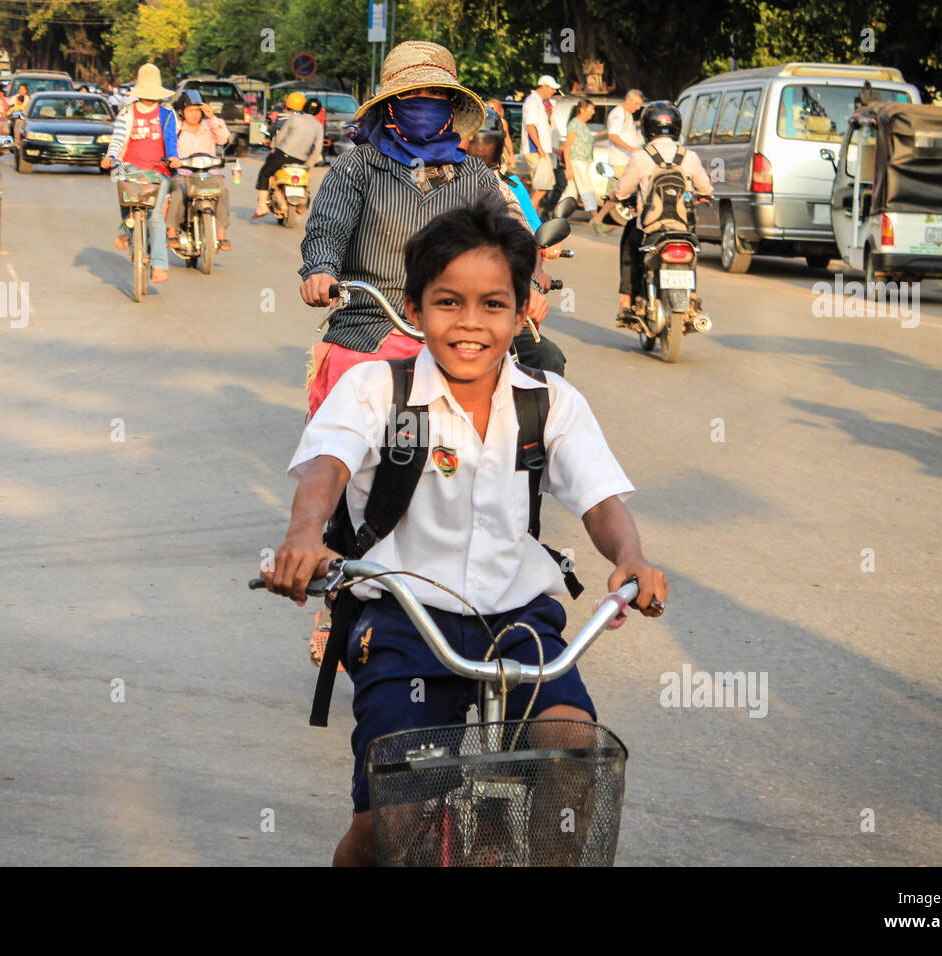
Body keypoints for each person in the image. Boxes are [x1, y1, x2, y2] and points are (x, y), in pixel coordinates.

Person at [262, 200, 669, 866]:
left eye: (493, 304)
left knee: (571, 744)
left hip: (517, 617)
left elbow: (600, 499)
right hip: (403, 619)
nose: (471, 324)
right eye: (449, 303)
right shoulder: (376, 390)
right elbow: (326, 466)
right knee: (393, 814)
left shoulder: (547, 400)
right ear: (416, 311)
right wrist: (305, 537)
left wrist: (631, 558)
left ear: (521, 312)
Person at [299, 40, 551, 419]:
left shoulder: (477, 176)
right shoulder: (358, 166)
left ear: (450, 106)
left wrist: (528, 284)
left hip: (459, 322)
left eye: (435, 94)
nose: (424, 101)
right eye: (413, 94)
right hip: (370, 319)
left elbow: (513, 235)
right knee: (341, 425)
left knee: (541, 369)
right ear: (390, 104)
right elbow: (327, 227)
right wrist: (320, 269)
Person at [465, 130, 567, 376]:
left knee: (548, 358)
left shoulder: (507, 189)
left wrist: (531, 283)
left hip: (495, 307)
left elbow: (526, 237)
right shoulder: (423, 182)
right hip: (434, 315)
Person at [613, 101, 713, 323]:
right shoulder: (690, 156)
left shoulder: (640, 157)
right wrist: (702, 195)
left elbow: (622, 192)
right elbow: (705, 189)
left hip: (650, 228)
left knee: (630, 245)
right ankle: (692, 297)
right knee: (691, 251)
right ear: (677, 127)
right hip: (681, 227)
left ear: (647, 128)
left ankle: (626, 302)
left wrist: (616, 197)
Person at [100, 63, 181, 285]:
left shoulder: (167, 112)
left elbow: (171, 140)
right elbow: (117, 140)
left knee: (155, 216)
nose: (148, 98)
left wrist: (173, 156)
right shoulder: (127, 112)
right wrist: (110, 158)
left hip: (159, 168)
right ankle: (126, 226)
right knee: (127, 199)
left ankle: (159, 265)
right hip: (130, 166)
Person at [166, 90, 232, 253]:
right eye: (190, 110)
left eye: (197, 110)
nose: (194, 115)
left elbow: (223, 139)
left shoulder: (211, 124)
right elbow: (168, 145)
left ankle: (221, 235)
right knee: (178, 193)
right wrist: (172, 160)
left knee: (222, 192)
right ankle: (172, 232)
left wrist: (212, 117)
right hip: (184, 174)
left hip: (209, 174)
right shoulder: (177, 127)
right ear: (182, 111)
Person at [253, 91, 322, 219]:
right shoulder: (318, 126)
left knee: (264, 173)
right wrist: (308, 165)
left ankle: (262, 206)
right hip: (301, 160)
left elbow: (280, 138)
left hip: (282, 155)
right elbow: (317, 149)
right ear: (318, 112)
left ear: (304, 107)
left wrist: (274, 148)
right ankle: (299, 209)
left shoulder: (293, 119)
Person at [593, 89, 643, 232]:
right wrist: (631, 149)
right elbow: (613, 135)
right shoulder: (619, 114)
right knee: (617, 193)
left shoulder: (627, 115)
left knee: (622, 193)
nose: (638, 107)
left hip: (626, 161)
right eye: (637, 103)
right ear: (628, 100)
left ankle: (598, 219)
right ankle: (598, 220)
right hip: (619, 161)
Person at [561, 98, 608, 232]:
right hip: (577, 161)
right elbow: (567, 147)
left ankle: (556, 216)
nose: (592, 113)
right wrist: (569, 168)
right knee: (587, 189)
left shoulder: (583, 125)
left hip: (584, 162)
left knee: (571, 192)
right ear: (582, 109)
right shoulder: (574, 124)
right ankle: (597, 219)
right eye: (591, 109)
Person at [520, 75, 562, 213]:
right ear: (544, 86)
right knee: (542, 187)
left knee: (539, 187)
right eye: (552, 88)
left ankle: (529, 216)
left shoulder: (538, 101)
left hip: (539, 150)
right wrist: (540, 148)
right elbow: (531, 126)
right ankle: (529, 217)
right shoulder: (533, 101)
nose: (554, 92)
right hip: (536, 151)